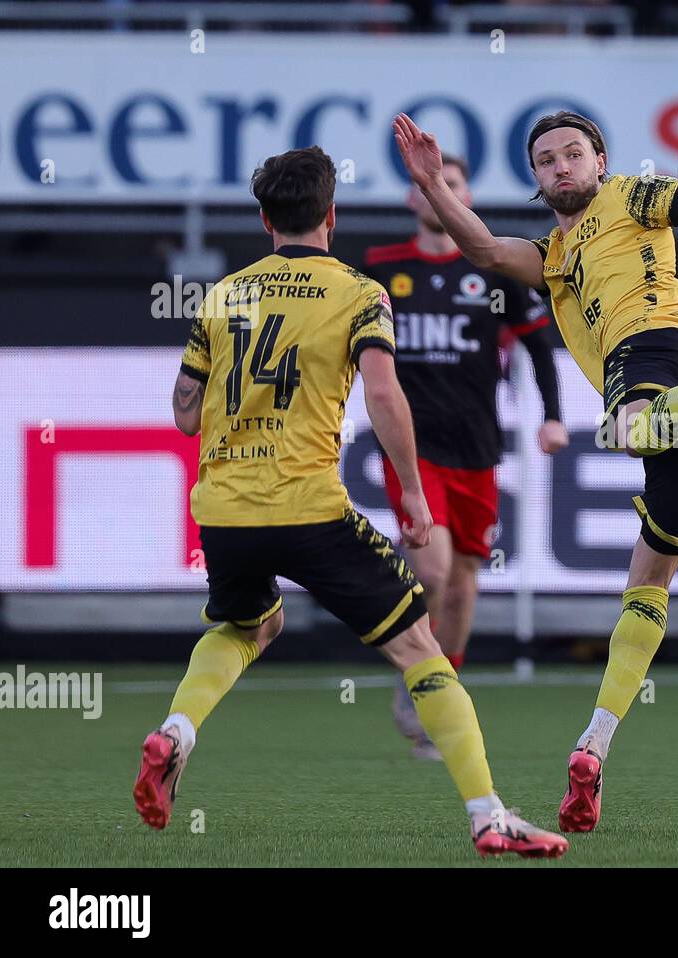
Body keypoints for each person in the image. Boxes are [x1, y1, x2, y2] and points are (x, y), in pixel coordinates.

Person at [133, 145, 567, 858]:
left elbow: (184, 414)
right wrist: (415, 494)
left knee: (248, 628)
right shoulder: (360, 292)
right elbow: (384, 394)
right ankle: (489, 815)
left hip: (223, 511)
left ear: (265, 219)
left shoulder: (224, 294)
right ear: (330, 215)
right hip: (309, 509)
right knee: (420, 648)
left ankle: (175, 732)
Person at [393, 109, 678, 832]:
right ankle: (595, 745)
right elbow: (490, 251)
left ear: (601, 161)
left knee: (624, 428)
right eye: (546, 160)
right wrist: (434, 185)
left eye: (573, 154)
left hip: (653, 350)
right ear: (536, 178)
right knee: (649, 582)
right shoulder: (553, 254)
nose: (561, 167)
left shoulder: (631, 195)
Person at [364, 157, 569, 760]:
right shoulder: (380, 270)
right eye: (432, 184)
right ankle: (416, 673)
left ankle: (437, 686)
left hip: (478, 449)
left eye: (451, 185)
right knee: (430, 572)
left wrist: (553, 417)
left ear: (467, 196)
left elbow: (540, 347)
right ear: (412, 198)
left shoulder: (494, 271)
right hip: (412, 448)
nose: (440, 193)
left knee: (462, 583)